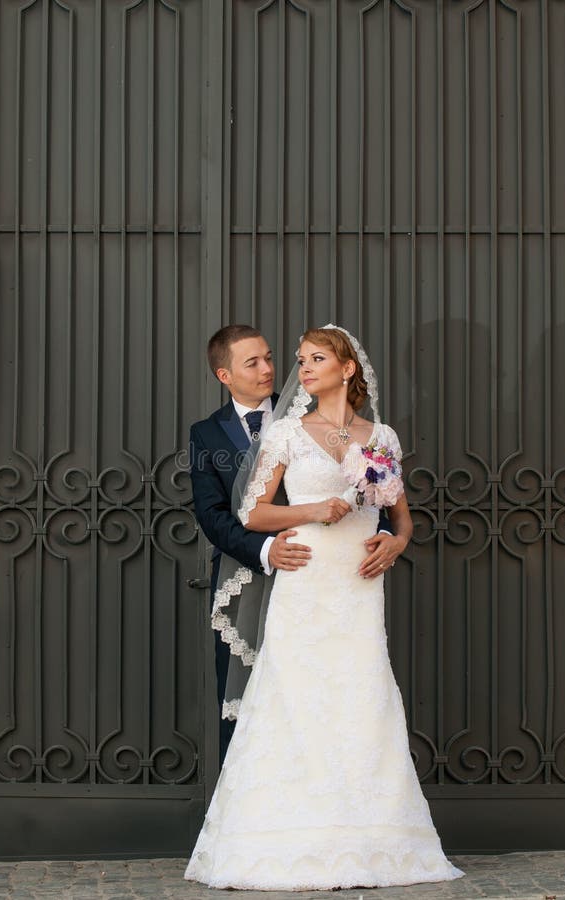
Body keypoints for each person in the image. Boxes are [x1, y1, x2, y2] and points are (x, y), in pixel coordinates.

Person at [185, 325, 463, 890]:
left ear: (347, 368)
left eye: (313, 359)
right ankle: (282, 841)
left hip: (358, 586)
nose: (298, 369)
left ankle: (370, 844)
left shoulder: (381, 436)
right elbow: (251, 515)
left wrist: (396, 543)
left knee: (362, 702)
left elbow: (400, 517)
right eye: (300, 360)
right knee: (295, 702)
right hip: (305, 580)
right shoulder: (286, 432)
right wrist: (313, 510)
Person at [189, 325, 312, 762]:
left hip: (309, 572)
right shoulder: (206, 434)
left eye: (269, 357)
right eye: (252, 362)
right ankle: (238, 803)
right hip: (242, 580)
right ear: (225, 375)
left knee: (305, 695)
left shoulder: (307, 416)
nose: (267, 369)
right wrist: (264, 551)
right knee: (242, 702)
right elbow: (212, 514)